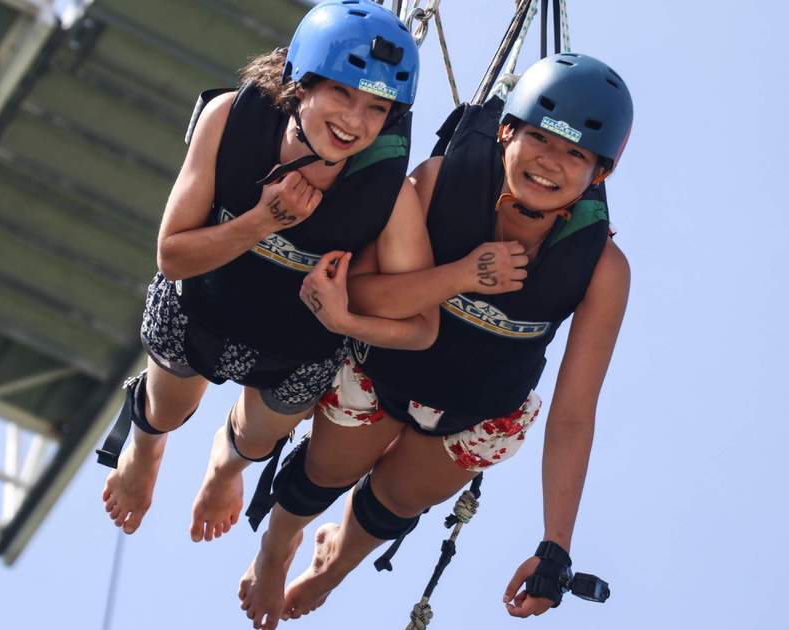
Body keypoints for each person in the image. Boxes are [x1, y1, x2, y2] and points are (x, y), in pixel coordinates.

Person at [240, 53, 635, 628]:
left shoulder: (603, 268)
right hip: (385, 369)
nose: (551, 162)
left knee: (398, 501)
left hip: (478, 412)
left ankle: (332, 568)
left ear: (598, 174)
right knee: (326, 470)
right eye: (541, 138)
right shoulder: (436, 182)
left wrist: (556, 546)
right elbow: (366, 294)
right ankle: (276, 548)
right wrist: (462, 276)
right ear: (506, 132)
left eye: (576, 154)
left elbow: (574, 414)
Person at [97, 0, 437, 550]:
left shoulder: (390, 196)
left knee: (254, 442)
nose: (354, 121)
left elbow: (424, 328)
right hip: (199, 305)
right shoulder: (230, 118)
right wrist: (261, 222)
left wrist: (345, 316)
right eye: (342, 94)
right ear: (301, 83)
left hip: (295, 347)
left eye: (376, 109)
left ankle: (225, 471)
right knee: (167, 406)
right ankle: (146, 442)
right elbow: (173, 256)